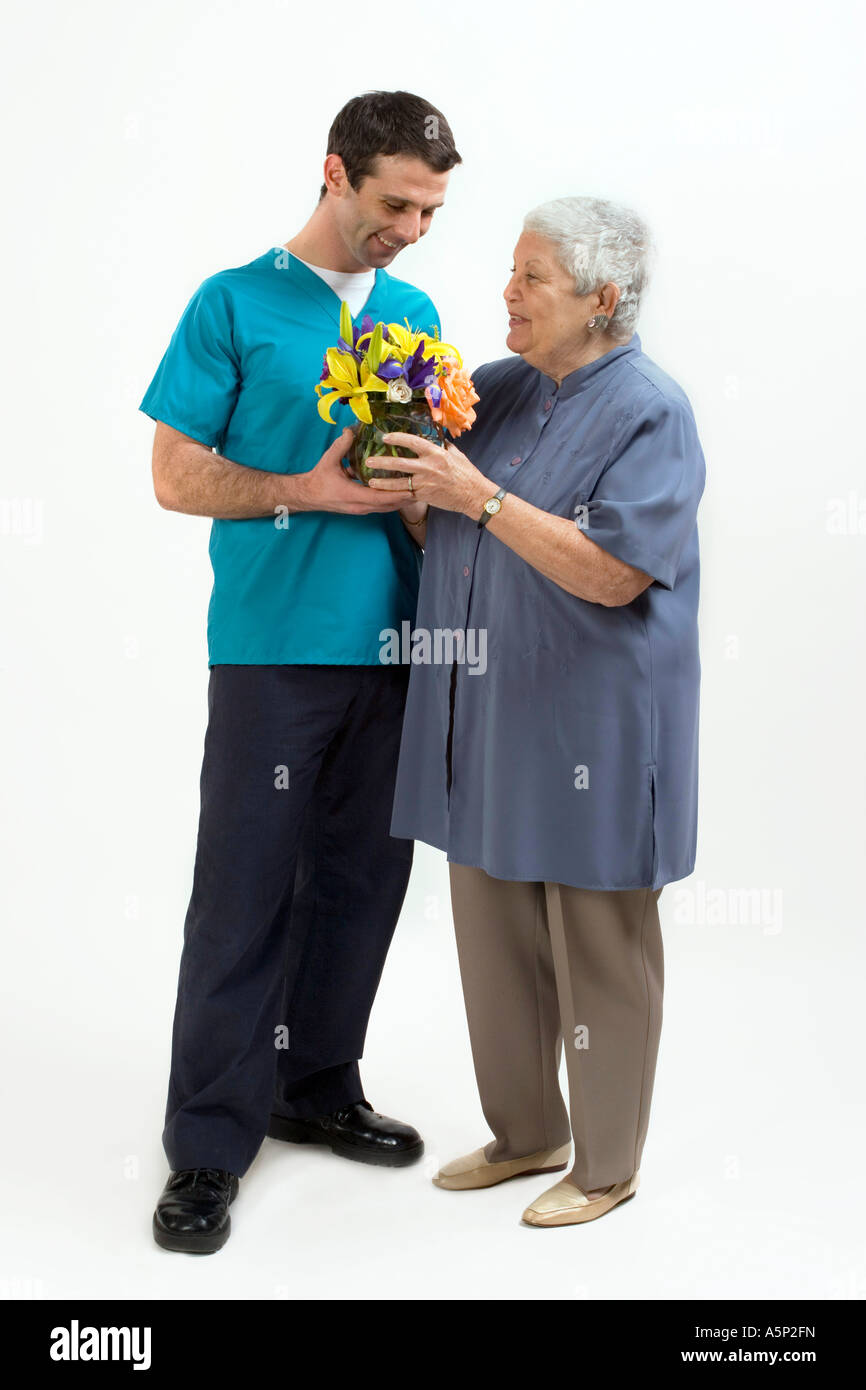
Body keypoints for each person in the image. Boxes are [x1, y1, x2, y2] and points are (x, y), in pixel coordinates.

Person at [139, 90, 460, 1254]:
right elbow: (175, 475)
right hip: (273, 650)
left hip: (399, 650)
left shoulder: (419, 314)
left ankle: (314, 1083)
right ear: (335, 174)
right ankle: (208, 1147)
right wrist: (307, 489)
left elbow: (437, 484)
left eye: (430, 208)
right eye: (393, 204)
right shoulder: (230, 303)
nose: (412, 229)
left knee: (360, 888)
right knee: (242, 897)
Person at [367, 196, 705, 1227]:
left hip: (593, 728)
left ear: (601, 299)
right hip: (486, 716)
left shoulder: (651, 409)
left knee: (597, 947)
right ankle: (525, 1133)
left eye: (529, 278)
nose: (503, 294)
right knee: (492, 935)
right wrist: (420, 495)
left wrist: (474, 499)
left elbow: (611, 574)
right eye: (509, 273)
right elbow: (456, 538)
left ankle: (603, 1166)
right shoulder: (498, 391)